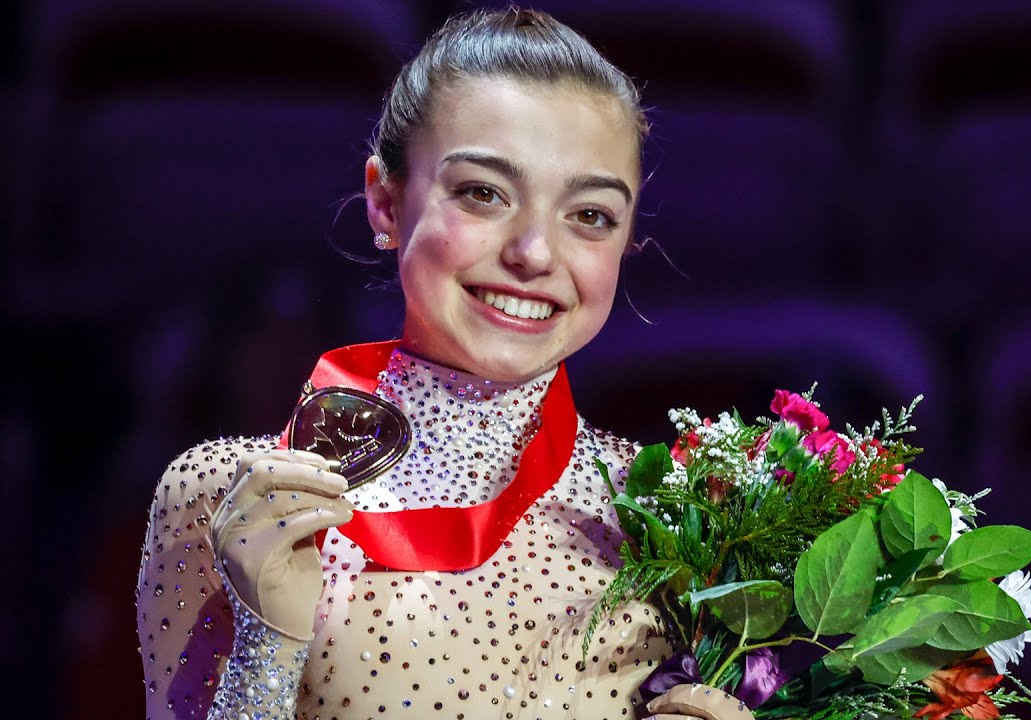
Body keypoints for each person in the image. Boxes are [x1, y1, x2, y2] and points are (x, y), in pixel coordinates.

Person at [136, 9, 754, 720]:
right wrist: (268, 648)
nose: (534, 253)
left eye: (590, 215)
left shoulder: (682, 522)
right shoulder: (229, 500)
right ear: (385, 201)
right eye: (483, 194)